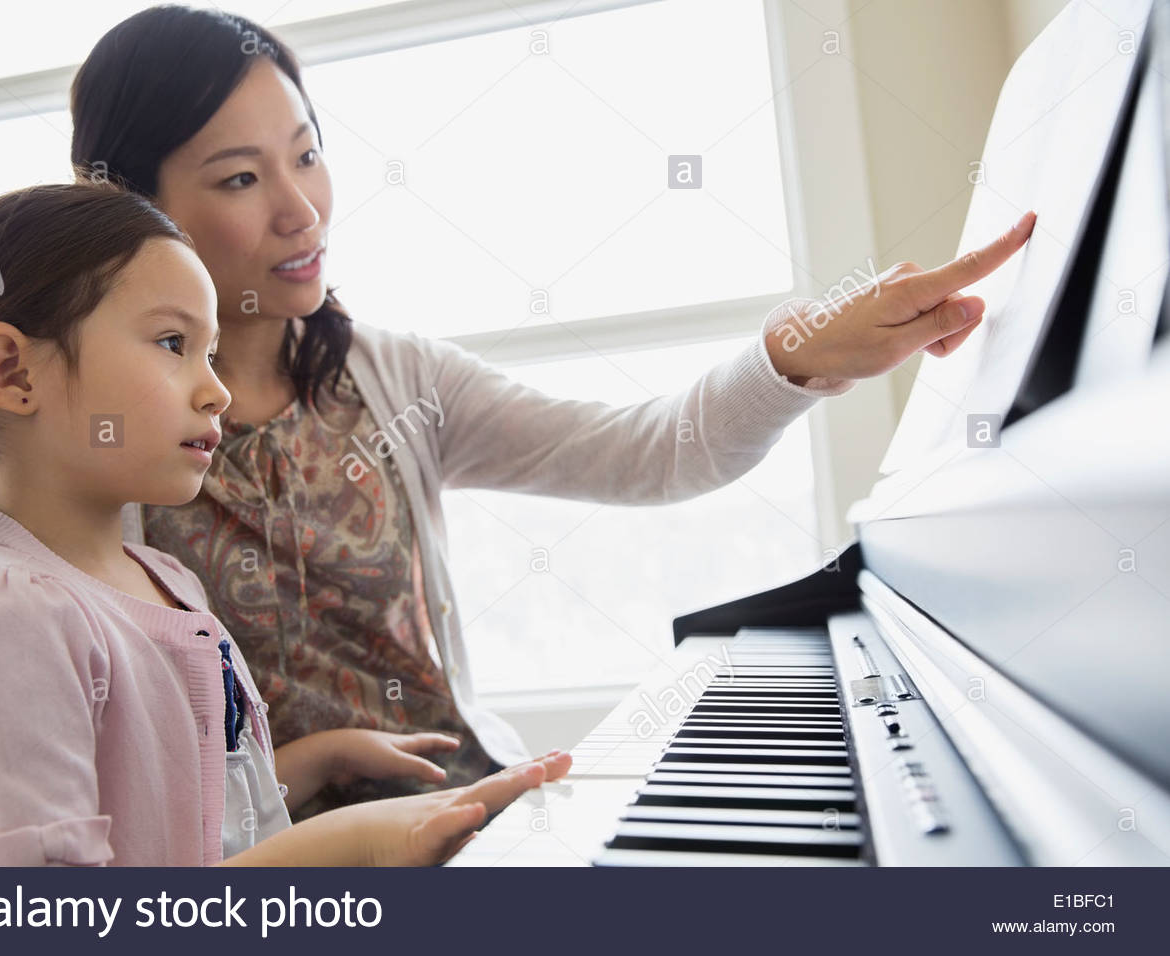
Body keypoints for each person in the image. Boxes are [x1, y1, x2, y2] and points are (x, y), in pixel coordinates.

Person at [69, 7, 1037, 820]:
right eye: (241, 178)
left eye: (308, 155)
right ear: (126, 203)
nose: (301, 210)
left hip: (473, 823)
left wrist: (796, 353)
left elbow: (652, 454)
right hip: (270, 872)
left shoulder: (394, 377)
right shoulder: (96, 439)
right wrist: (307, 764)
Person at [0, 182, 571, 866]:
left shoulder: (166, 579)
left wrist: (320, 760)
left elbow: (189, 825)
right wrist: (349, 845)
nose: (217, 390)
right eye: (173, 343)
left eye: (209, 354)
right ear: (12, 371)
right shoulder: (7, 617)